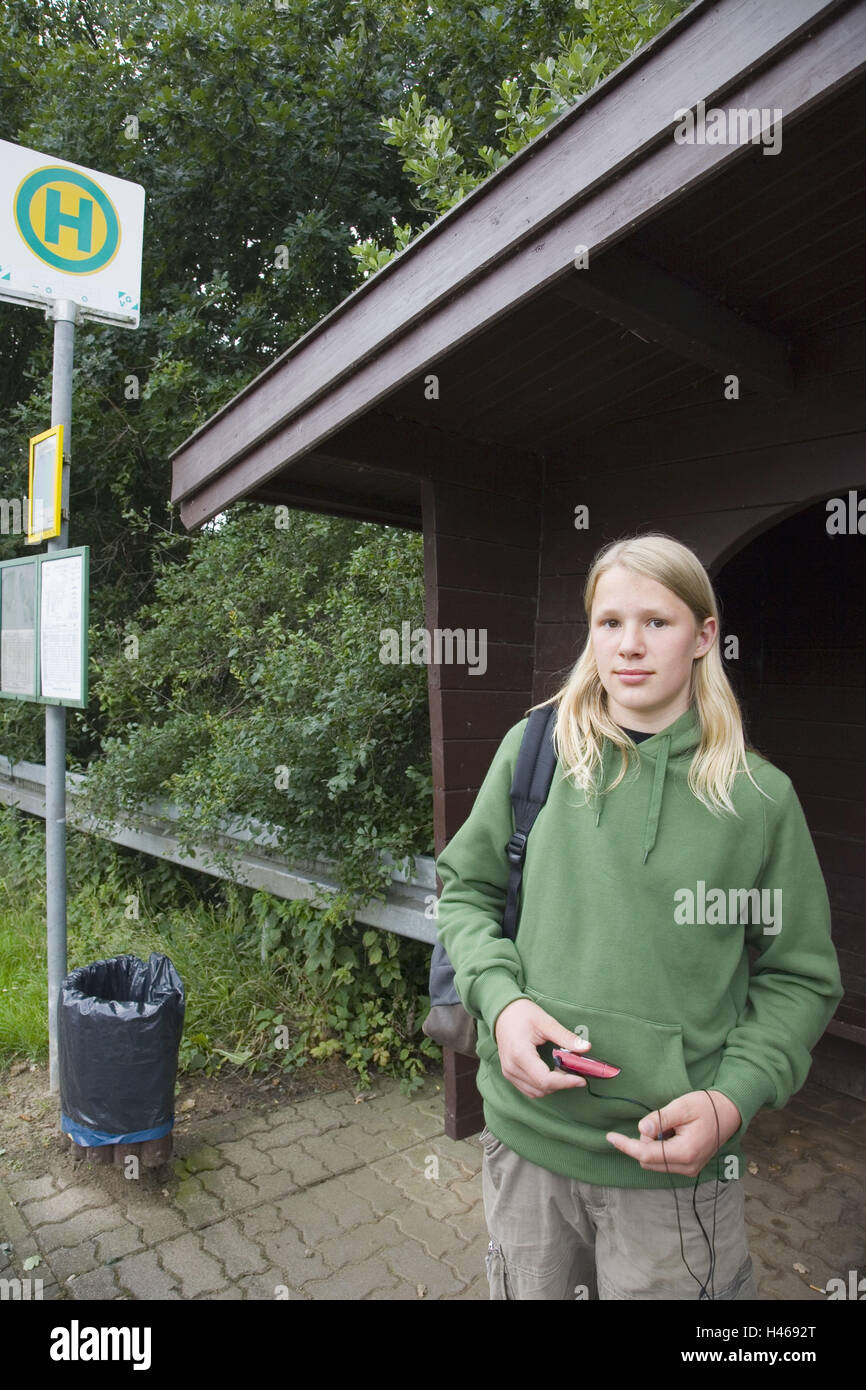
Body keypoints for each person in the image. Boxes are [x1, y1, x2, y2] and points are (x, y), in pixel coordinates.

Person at [434, 533, 843, 1300]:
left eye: (656, 622)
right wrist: (502, 1001)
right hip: (525, 1146)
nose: (629, 645)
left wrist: (732, 1100)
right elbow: (465, 893)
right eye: (609, 622)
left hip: (674, 1176)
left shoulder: (758, 799)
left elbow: (800, 979)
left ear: (704, 636)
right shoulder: (534, 752)